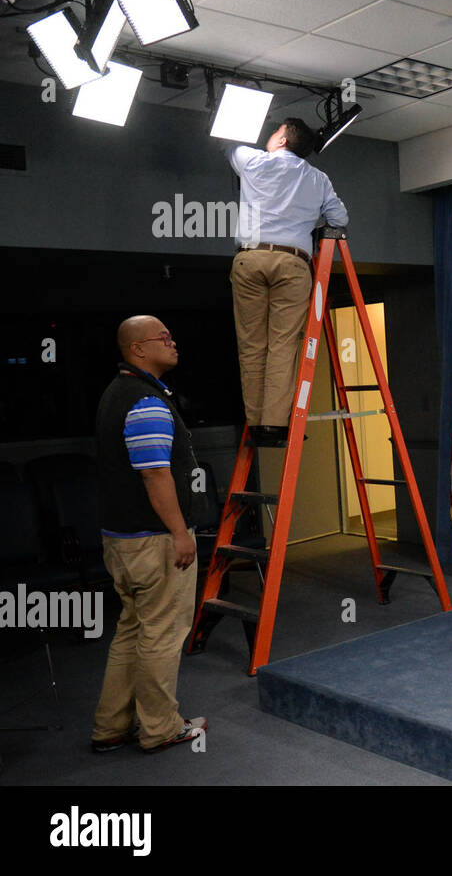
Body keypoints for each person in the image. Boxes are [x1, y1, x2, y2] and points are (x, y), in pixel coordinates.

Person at [90, 316, 207, 755]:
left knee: (132, 630)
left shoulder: (115, 393)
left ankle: (110, 726)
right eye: (164, 337)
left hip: (121, 541)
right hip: (153, 541)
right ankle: (160, 728)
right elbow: (155, 474)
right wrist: (180, 533)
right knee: (161, 632)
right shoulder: (145, 401)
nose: (173, 342)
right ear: (138, 349)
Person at [226, 118, 348, 446]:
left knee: (251, 344)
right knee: (283, 345)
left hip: (250, 258)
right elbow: (340, 219)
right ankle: (274, 426)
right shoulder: (318, 178)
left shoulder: (254, 161)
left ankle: (254, 424)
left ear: (282, 139)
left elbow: (231, 148)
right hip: (293, 261)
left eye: (274, 132)